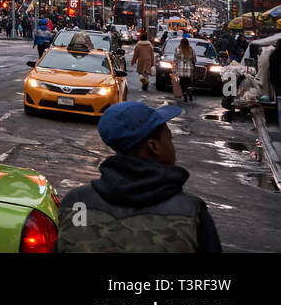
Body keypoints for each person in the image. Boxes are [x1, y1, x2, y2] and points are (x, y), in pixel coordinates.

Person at [57, 102, 221, 252]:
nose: (172, 146)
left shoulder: (75, 202)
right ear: (154, 147)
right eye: (169, 138)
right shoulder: (190, 213)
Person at [174, 34, 197, 103]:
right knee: (188, 82)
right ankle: (189, 90)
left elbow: (176, 60)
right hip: (189, 68)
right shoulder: (191, 50)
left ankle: (185, 96)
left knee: (182, 83)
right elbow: (194, 59)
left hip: (180, 68)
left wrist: (174, 68)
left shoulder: (178, 49)